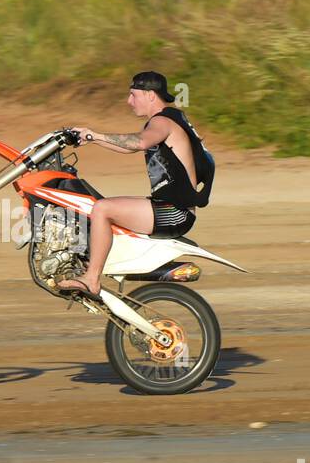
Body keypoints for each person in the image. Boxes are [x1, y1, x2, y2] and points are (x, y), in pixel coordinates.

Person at [56, 71, 215, 299]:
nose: (129, 101)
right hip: (169, 207)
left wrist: (94, 135)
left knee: (102, 209)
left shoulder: (162, 121)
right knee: (99, 204)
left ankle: (91, 279)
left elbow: (140, 142)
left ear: (150, 95)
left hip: (174, 213)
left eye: (133, 95)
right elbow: (130, 146)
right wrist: (94, 139)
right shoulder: (168, 119)